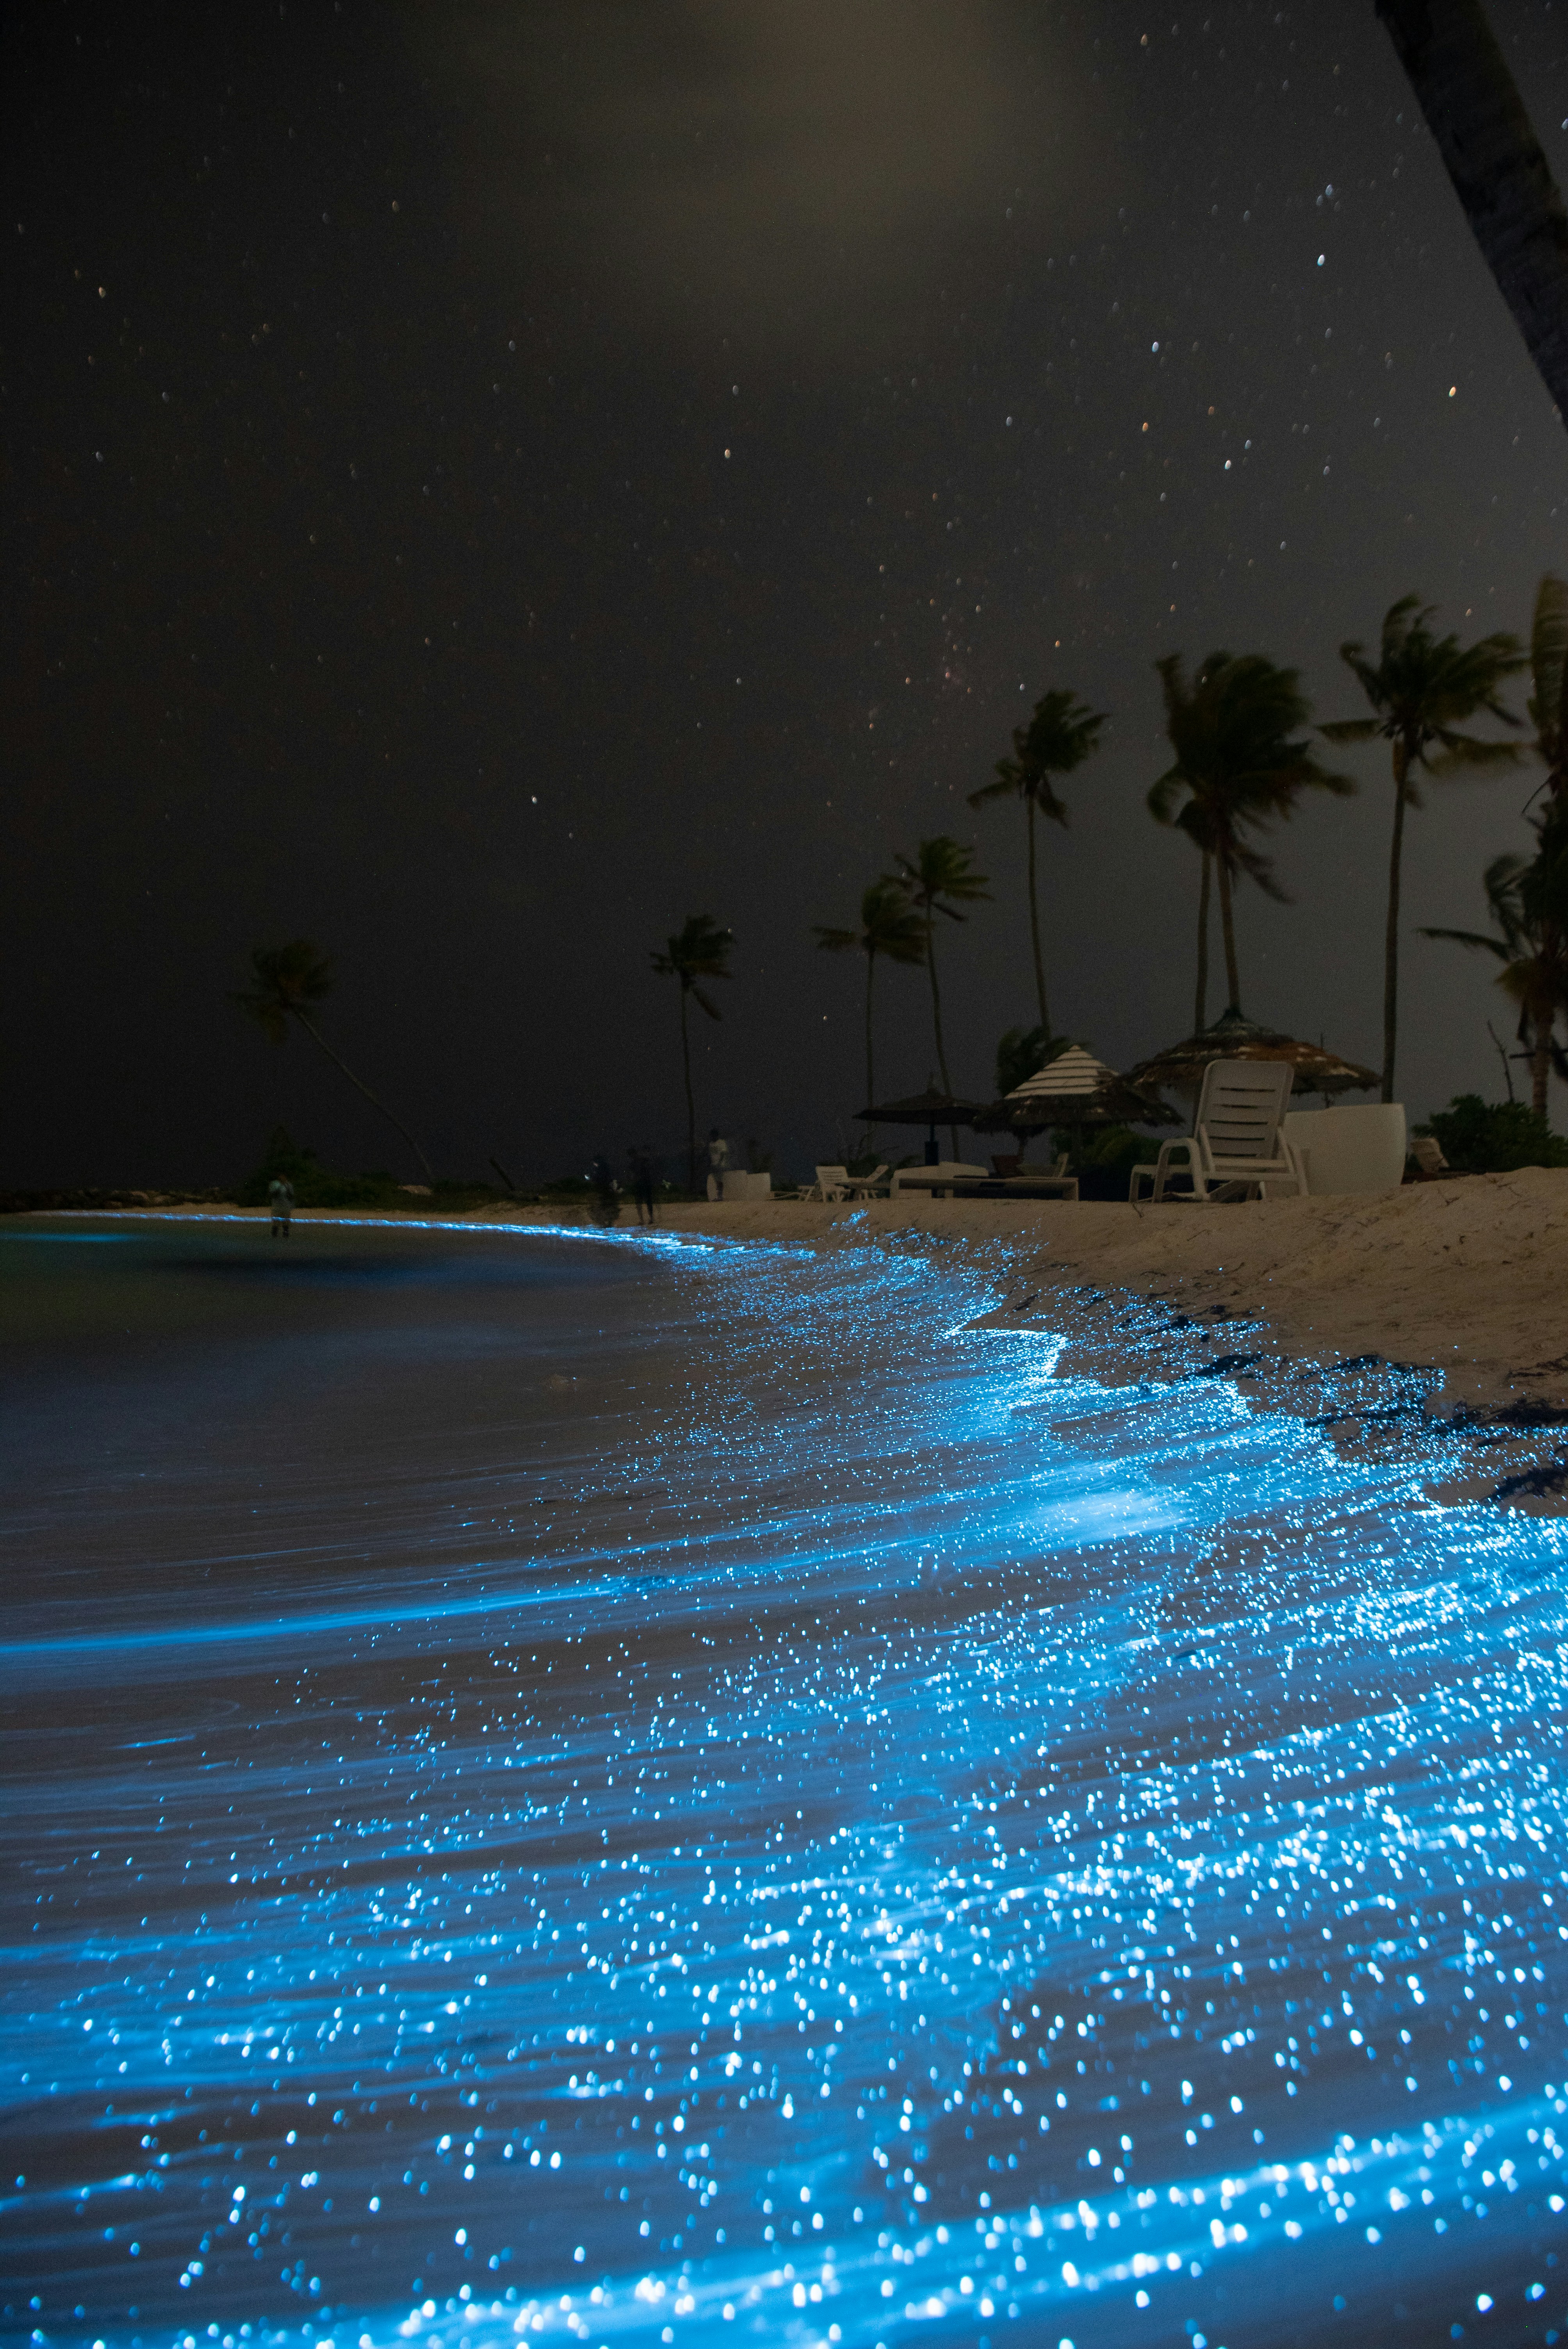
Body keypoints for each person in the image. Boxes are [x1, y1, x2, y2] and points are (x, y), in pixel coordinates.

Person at [628, 1143, 657, 1226]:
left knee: (645, 1202)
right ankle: (646, 1219)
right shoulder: (640, 1161)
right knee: (644, 1202)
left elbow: (634, 1174)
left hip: (643, 1183)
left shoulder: (640, 1161)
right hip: (643, 1183)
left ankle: (648, 1219)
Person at [268, 1173, 295, 1239]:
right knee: (276, 1221)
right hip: (276, 1206)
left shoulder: (289, 1185)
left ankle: (286, 1233)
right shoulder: (274, 1184)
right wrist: (280, 1186)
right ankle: (274, 1234)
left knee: (286, 1220)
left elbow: (291, 1196)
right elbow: (273, 1194)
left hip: (286, 1205)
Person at [706, 1126, 730, 1202]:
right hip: (714, 1164)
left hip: (720, 1165)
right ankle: (718, 1196)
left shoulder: (721, 1143)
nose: (712, 1137)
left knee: (720, 1181)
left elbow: (723, 1153)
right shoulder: (711, 1144)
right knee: (717, 1181)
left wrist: (720, 1163)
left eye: (713, 1135)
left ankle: (720, 1196)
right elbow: (710, 1155)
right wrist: (710, 1163)